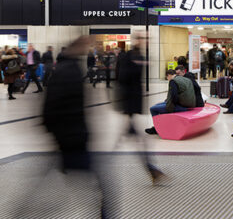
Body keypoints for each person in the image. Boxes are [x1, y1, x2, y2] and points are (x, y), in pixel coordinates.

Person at [42, 36, 114, 218]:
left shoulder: (66, 67)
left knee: (50, 183)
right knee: (99, 184)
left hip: (68, 136)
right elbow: (56, 105)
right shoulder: (69, 70)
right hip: (72, 137)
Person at [115, 32, 165, 184]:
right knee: (137, 139)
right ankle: (152, 169)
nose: (147, 42)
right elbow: (122, 77)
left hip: (132, 104)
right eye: (144, 39)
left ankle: (152, 169)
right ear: (137, 40)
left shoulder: (139, 56)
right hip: (129, 103)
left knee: (135, 138)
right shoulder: (130, 56)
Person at [145, 69, 197, 134]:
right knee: (159, 105)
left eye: (167, 77)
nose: (168, 79)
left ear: (169, 75)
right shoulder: (186, 79)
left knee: (153, 109)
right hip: (188, 104)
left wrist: (168, 107)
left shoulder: (173, 81)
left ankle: (157, 129)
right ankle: (162, 126)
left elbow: (174, 97)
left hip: (181, 106)